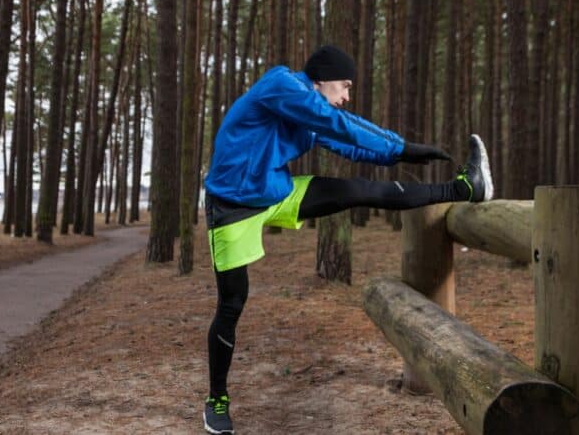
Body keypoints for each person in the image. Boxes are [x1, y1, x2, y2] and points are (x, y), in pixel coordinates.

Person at [201, 45, 493, 434]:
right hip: (232, 205)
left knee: (359, 190)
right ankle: (217, 399)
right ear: (320, 80)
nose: (346, 96)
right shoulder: (281, 85)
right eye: (344, 86)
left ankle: (465, 188)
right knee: (233, 303)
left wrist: (400, 155)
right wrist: (400, 147)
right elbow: (337, 123)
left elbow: (347, 141)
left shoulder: (308, 109)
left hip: (275, 191)